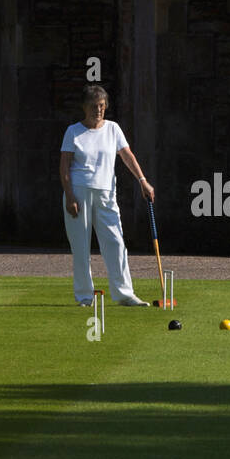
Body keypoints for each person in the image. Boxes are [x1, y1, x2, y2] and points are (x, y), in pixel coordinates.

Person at [60, 85, 154, 306]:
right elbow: (64, 167)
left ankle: (124, 294)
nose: (98, 110)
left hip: (106, 193)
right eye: (94, 106)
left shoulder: (113, 129)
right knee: (81, 247)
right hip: (79, 193)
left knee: (116, 242)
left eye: (102, 105)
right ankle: (84, 296)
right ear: (84, 107)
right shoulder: (73, 131)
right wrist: (70, 195)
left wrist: (142, 181)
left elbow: (127, 156)